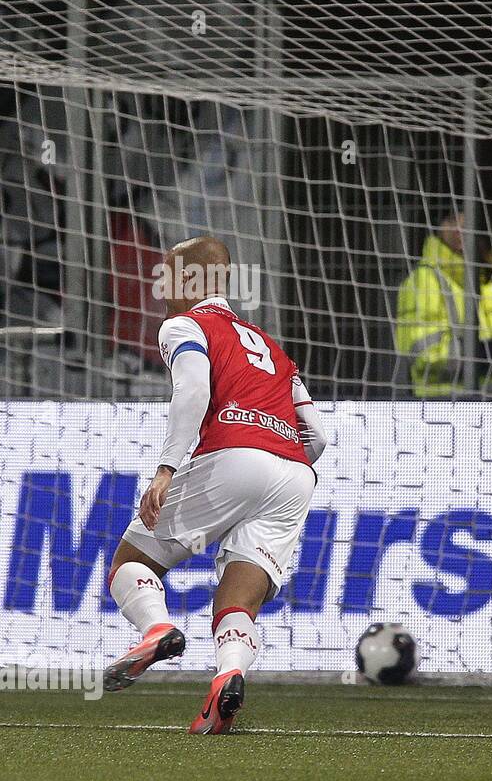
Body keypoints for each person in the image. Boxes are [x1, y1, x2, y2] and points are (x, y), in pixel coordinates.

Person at [103, 235, 327, 734]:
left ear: (190, 280)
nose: (161, 290)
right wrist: (279, 460)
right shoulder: (270, 345)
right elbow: (320, 434)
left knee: (131, 561)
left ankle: (157, 629)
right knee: (238, 600)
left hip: (233, 456)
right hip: (294, 473)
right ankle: (227, 676)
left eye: (166, 277)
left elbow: (194, 388)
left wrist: (166, 468)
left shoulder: (184, 326)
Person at [395, 212, 492, 397]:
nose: (460, 228)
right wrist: (485, 355)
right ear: (439, 227)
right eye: (452, 219)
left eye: (468, 219)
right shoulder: (424, 280)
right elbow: (423, 356)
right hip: (440, 407)